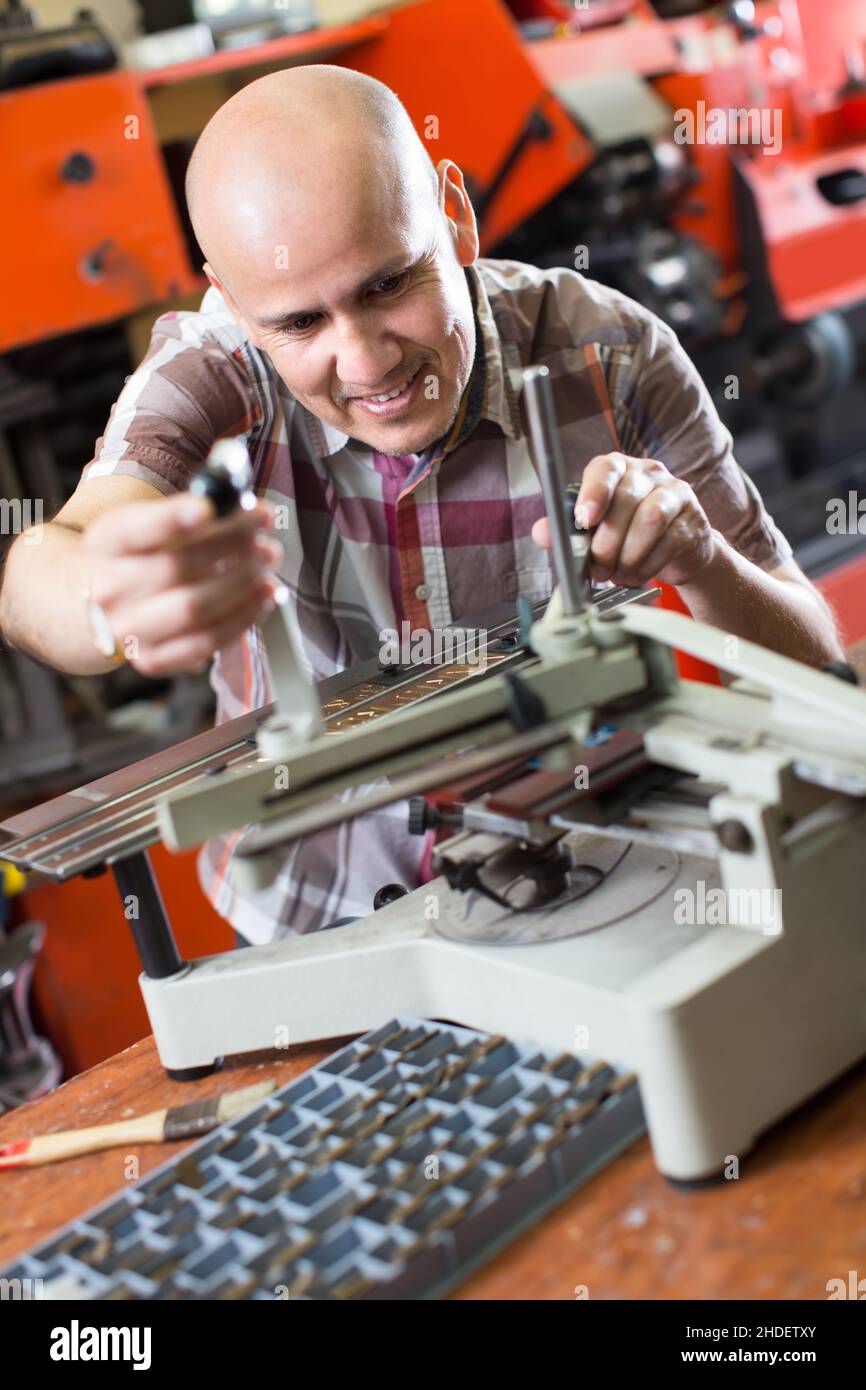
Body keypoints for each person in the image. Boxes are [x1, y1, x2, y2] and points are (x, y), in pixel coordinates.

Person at [0, 66, 843, 945]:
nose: (365, 365)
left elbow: (814, 673)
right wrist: (109, 597)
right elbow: (42, 576)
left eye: (388, 285)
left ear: (458, 215)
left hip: (600, 872)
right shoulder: (213, 369)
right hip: (321, 921)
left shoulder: (613, 352)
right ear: (234, 303)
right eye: (299, 325)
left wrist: (703, 560)